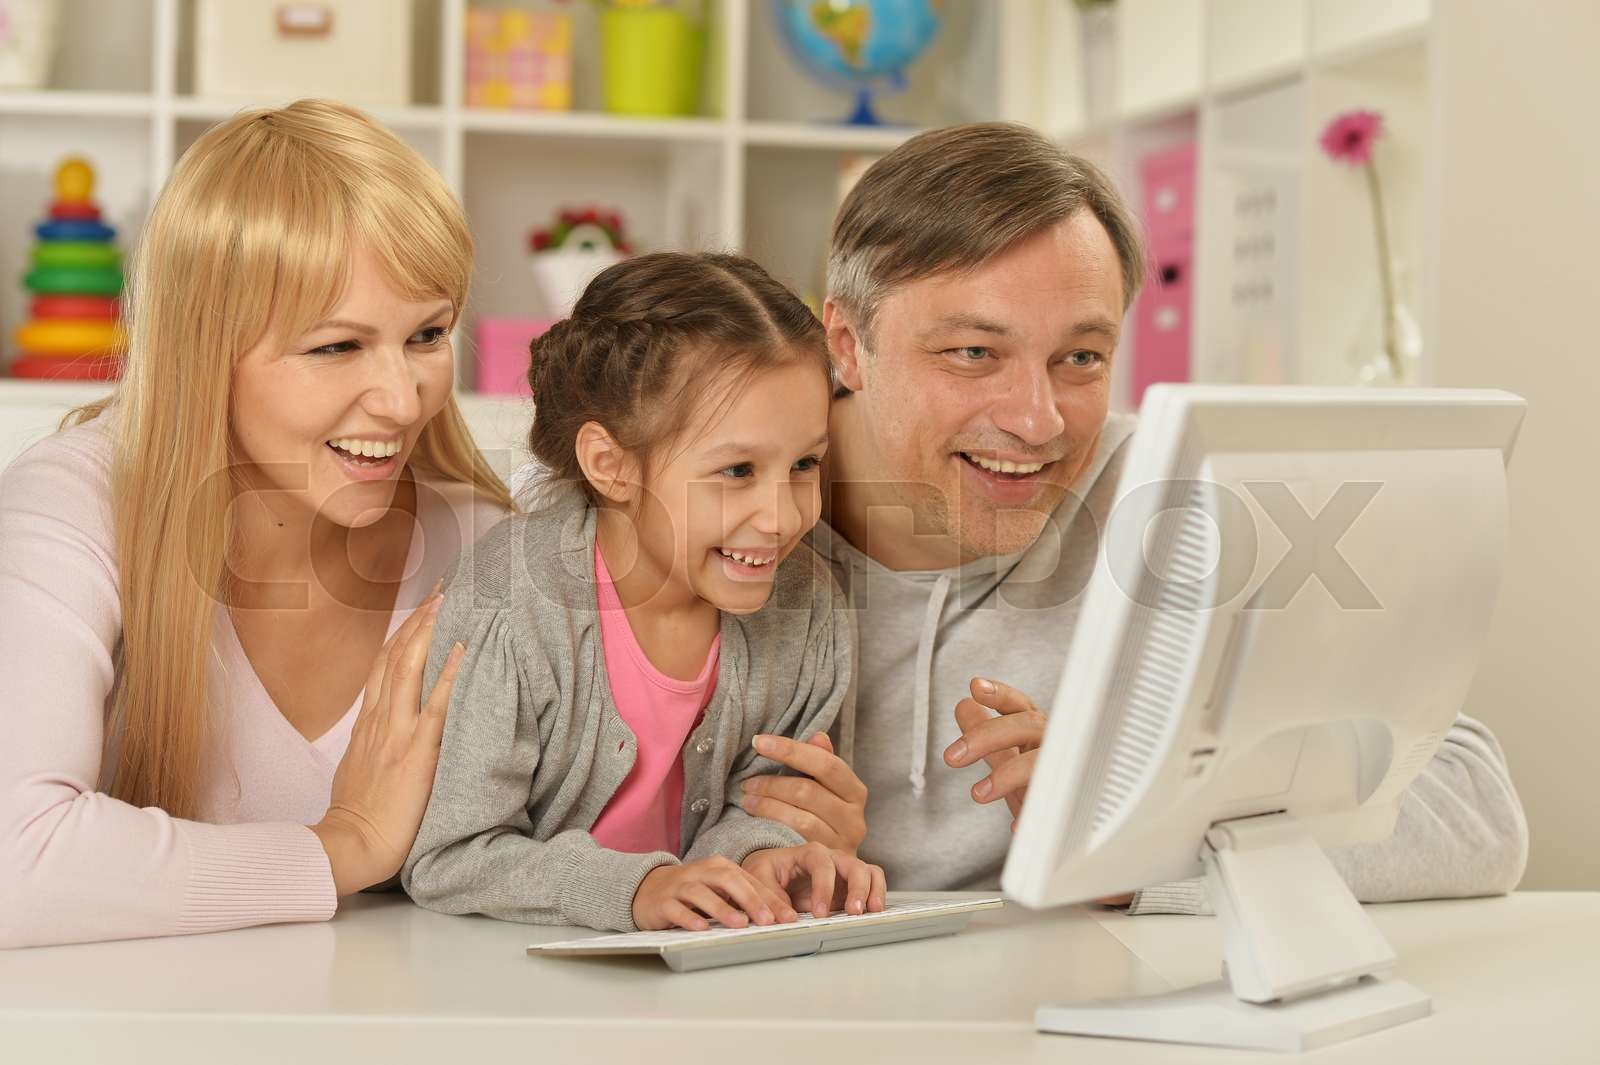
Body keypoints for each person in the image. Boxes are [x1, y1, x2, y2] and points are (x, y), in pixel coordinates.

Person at [725, 122, 1530, 912]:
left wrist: (1125, 839)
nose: (1037, 420)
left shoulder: (1181, 496)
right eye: (974, 352)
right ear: (847, 344)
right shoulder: (714, 518)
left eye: (1080, 358)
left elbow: (1471, 810)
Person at [0, 100, 514, 949]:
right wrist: (339, 846)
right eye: (336, 347)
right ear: (207, 350)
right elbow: (14, 863)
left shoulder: (485, 545)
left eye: (426, 333)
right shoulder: (74, 505)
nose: (401, 397)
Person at [402, 253, 885, 932]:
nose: (782, 516)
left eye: (805, 463)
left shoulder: (809, 611)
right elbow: (449, 857)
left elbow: (769, 810)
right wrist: (638, 887)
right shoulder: (509, 608)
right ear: (612, 464)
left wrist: (769, 858)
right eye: (737, 469)